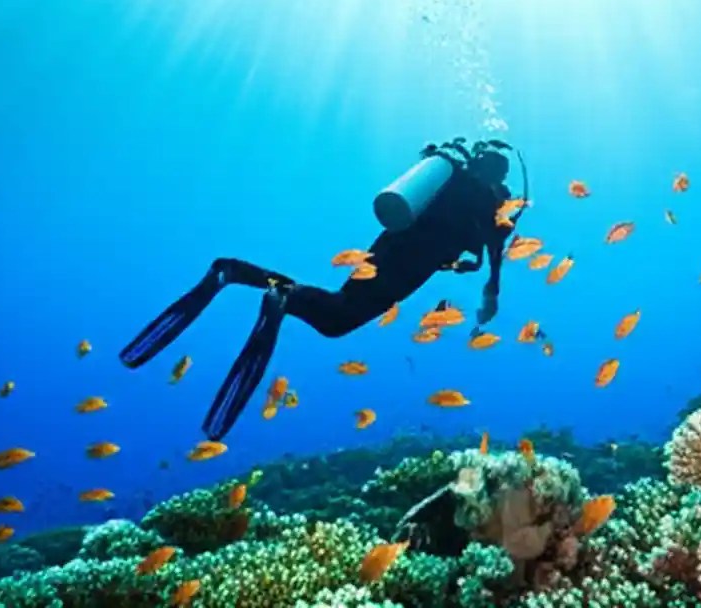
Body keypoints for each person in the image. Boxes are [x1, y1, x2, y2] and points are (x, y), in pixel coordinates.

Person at [119, 138, 527, 441]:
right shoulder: (491, 206)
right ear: (500, 177)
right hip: (410, 266)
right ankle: (281, 297)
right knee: (338, 321)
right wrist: (491, 295)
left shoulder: (445, 178)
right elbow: (493, 258)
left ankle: (238, 273)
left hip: (385, 247)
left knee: (341, 303)